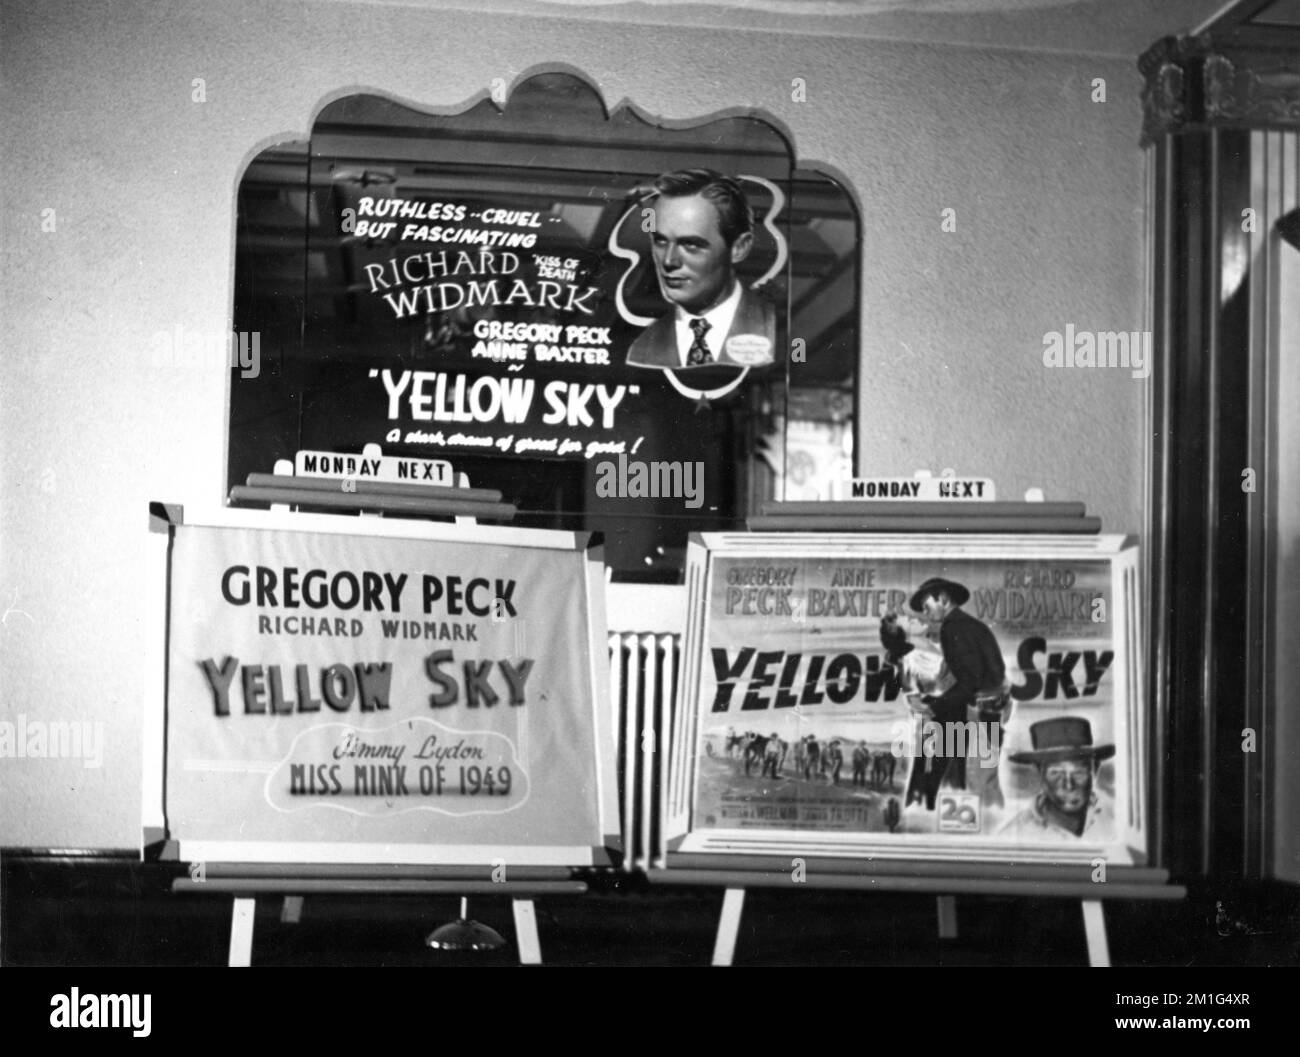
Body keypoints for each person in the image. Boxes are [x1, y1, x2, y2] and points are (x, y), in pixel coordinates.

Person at [626, 169, 776, 371]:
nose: (669, 260)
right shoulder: (641, 347)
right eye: (660, 241)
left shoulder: (781, 329)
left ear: (739, 248)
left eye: (691, 245)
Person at [909, 577, 1011, 810]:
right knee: (986, 783)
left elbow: (969, 682)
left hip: (978, 716)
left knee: (975, 787)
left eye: (927, 606)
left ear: (943, 600)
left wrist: (934, 706)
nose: (925, 613)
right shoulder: (972, 625)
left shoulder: (952, 626)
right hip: (990, 714)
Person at [999, 717, 1115, 840]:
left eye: (1078, 772)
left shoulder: (1115, 819)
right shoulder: (1015, 834)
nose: (1069, 785)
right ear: (1041, 773)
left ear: (1095, 770)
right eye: (1056, 773)